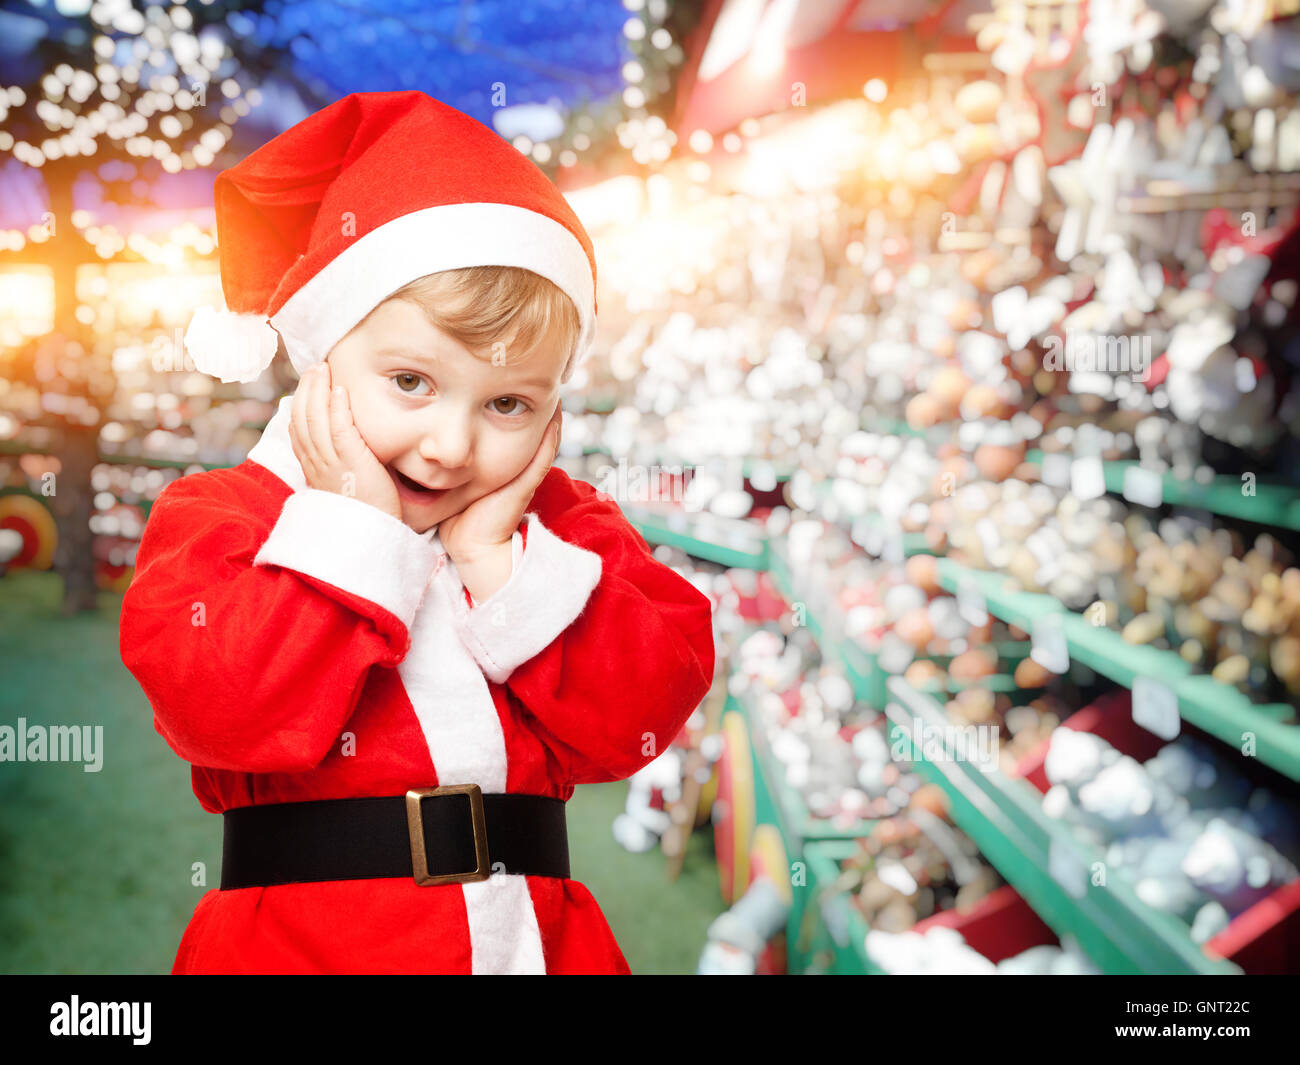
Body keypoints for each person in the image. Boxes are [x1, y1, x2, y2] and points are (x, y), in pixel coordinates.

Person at [118, 91, 717, 975]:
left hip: (540, 946)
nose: (450, 445)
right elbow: (221, 713)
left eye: (509, 403)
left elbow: (642, 714)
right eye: (410, 381)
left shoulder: (562, 527)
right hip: (298, 952)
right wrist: (354, 531)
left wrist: (499, 565)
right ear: (321, 353)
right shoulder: (224, 516)